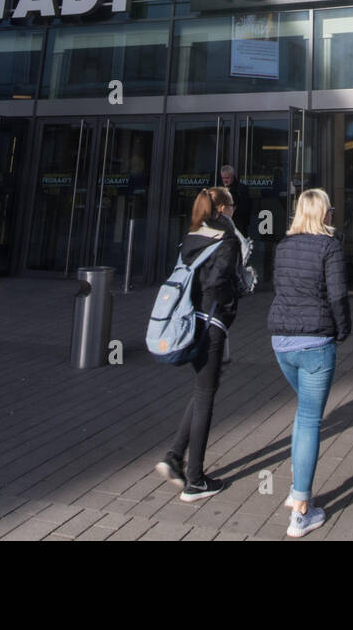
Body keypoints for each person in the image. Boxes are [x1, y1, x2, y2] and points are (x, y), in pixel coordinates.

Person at [268, 188, 350, 538]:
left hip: (281, 341)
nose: (333, 214)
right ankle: (301, 508)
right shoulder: (329, 246)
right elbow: (338, 294)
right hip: (316, 340)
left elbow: (280, 288)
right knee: (310, 420)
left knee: (305, 414)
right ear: (324, 214)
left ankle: (295, 493)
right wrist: (343, 330)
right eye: (330, 209)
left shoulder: (283, 246)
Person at [155, 189, 242, 501]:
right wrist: (236, 292)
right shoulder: (227, 239)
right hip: (212, 323)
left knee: (205, 387)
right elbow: (219, 282)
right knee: (206, 395)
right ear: (220, 208)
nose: (234, 210)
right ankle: (195, 480)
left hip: (189, 322)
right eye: (231, 205)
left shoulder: (191, 236)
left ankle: (175, 456)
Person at [219, 164, 252, 235]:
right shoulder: (219, 189)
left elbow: (246, 208)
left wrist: (232, 210)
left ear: (232, 176)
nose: (225, 180)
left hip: (238, 224)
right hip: (223, 224)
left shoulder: (242, 189)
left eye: (227, 178)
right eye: (223, 178)